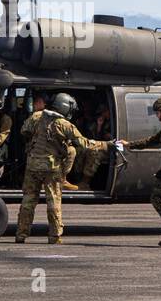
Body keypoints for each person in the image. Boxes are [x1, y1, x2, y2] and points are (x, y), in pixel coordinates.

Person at [16, 91, 107, 244]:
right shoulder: (64, 124)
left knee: (28, 201)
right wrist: (107, 145)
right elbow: (84, 144)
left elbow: (24, 131)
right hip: (51, 168)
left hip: (32, 166)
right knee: (53, 201)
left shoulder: (36, 117)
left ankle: (21, 234)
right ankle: (54, 236)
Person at [117, 95, 161, 247]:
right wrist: (130, 144)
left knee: (157, 198)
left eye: (158, 112)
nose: (157, 115)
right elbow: (151, 140)